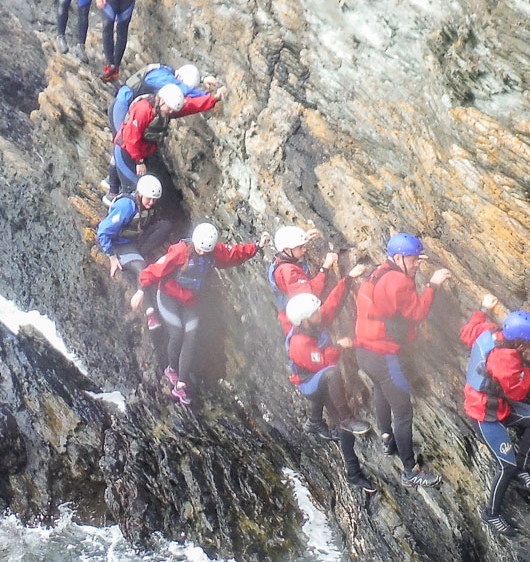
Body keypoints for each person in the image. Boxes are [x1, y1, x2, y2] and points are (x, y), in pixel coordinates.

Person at [353, 233, 450, 487]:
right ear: (398, 257)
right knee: (404, 410)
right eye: (414, 259)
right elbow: (417, 312)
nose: (418, 263)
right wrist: (433, 285)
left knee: (381, 391)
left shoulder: (381, 271)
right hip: (382, 355)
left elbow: (393, 293)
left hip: (363, 353)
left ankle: (387, 439)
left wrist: (412, 264)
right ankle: (410, 471)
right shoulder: (399, 282)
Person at [134, 222, 258, 405]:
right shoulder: (179, 251)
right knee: (177, 334)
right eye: (199, 249)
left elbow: (234, 254)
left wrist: (257, 247)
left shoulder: (214, 252)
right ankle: (171, 369)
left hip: (191, 301)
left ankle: (181, 385)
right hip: (169, 296)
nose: (201, 253)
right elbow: (154, 270)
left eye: (205, 251)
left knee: (190, 338)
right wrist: (141, 290)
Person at [460, 295, 530, 533]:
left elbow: (467, 332)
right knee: (505, 467)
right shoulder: (507, 362)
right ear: (519, 344)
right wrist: (528, 365)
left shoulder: (490, 332)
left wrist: (482, 310)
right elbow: (518, 393)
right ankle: (492, 514)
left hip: (495, 406)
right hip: (485, 415)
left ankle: (522, 468)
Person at [285, 292, 376, 493]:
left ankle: (352, 471)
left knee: (332, 383)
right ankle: (345, 419)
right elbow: (325, 365)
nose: (319, 312)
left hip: (320, 377)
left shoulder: (312, 324)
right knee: (333, 375)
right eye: (315, 312)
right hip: (312, 384)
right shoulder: (300, 343)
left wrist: (346, 281)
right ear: (306, 319)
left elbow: (330, 306)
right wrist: (339, 346)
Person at [109, 82, 219, 194]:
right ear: (161, 101)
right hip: (126, 152)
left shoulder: (165, 109)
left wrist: (213, 99)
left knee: (139, 189)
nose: (171, 113)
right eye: (169, 109)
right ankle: (115, 201)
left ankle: (115, 195)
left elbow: (191, 106)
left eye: (172, 110)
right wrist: (139, 162)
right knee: (134, 190)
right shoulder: (143, 110)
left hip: (141, 153)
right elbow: (130, 138)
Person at [94, 173, 172, 329]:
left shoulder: (148, 205)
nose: (151, 203)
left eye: (154, 199)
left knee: (166, 226)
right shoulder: (126, 206)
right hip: (121, 244)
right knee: (142, 267)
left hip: (136, 240)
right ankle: (150, 312)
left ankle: (139, 253)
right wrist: (112, 257)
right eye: (148, 199)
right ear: (140, 194)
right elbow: (103, 231)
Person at [267, 225, 349, 330]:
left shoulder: (280, 259)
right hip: (303, 320)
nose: (304, 249)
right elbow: (309, 294)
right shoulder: (289, 272)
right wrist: (325, 267)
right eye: (301, 247)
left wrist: (303, 239)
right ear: (287, 249)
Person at [111, 62, 210, 136]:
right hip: (122, 105)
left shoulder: (166, 71)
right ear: (180, 77)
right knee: (123, 141)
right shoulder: (164, 77)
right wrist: (209, 96)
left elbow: (186, 85)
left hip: (122, 103)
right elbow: (185, 90)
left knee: (120, 146)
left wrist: (202, 79)